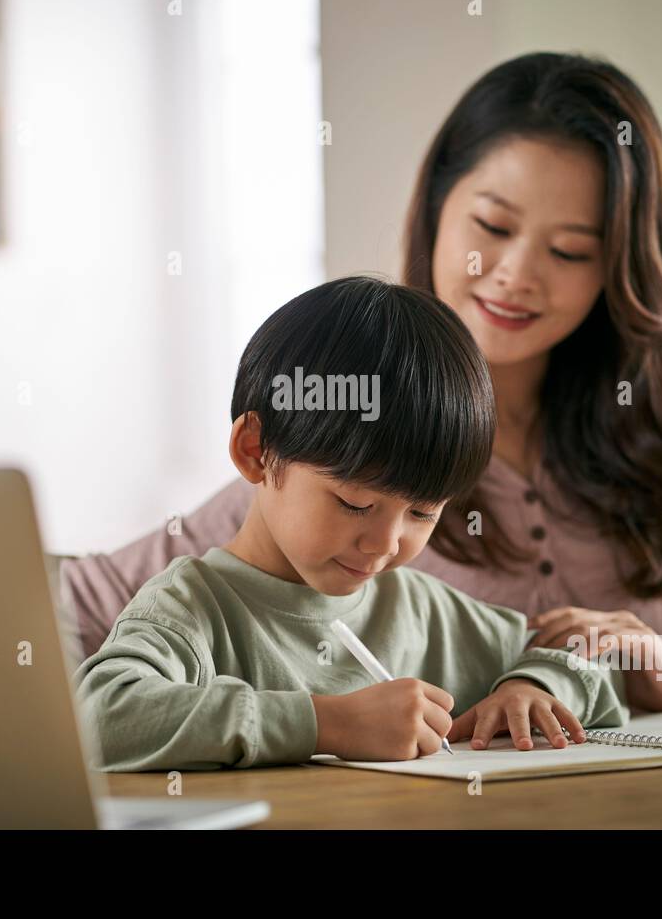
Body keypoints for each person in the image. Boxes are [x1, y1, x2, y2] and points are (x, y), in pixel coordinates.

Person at [65, 52, 662, 716]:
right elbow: (67, 615)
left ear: (615, 262)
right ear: (437, 206)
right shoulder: (338, 434)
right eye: (493, 226)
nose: (514, 275)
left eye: (571, 251)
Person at [74, 278, 631, 772]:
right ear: (255, 451)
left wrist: (531, 685)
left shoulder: (423, 610)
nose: (386, 545)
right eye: (355, 504)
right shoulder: (194, 608)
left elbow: (592, 661)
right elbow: (99, 717)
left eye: (422, 513)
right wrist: (325, 724)